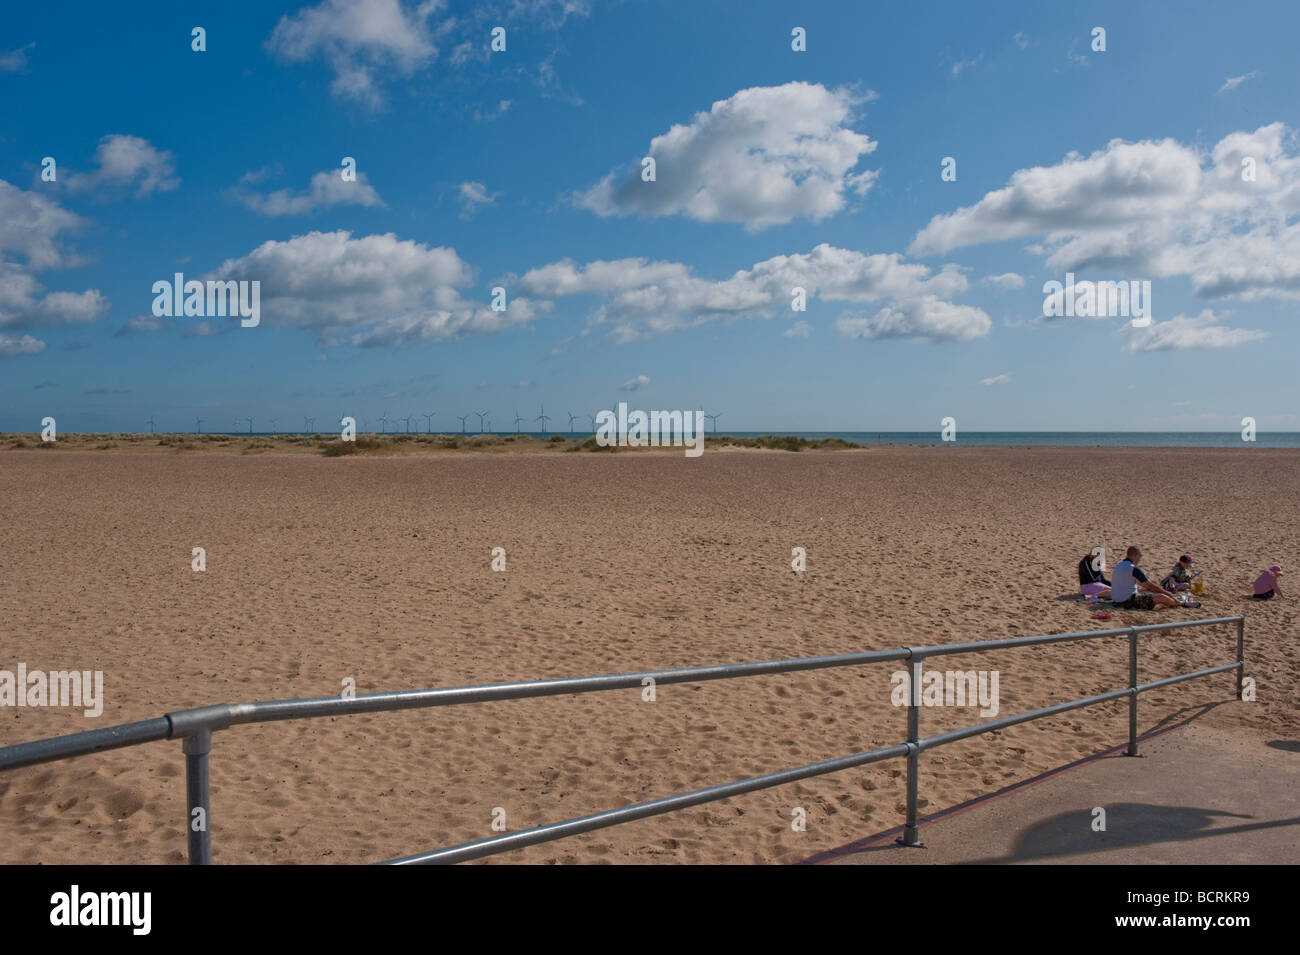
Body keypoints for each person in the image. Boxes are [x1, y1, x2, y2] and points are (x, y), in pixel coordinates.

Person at [1110, 546, 1188, 610]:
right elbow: (1151, 586)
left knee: (1148, 592)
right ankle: (1180, 603)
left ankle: (1176, 600)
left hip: (1116, 600)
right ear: (1135, 555)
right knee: (1162, 597)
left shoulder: (1119, 565)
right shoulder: (1133, 569)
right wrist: (1169, 594)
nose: (1139, 559)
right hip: (1127, 602)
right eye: (1139, 556)